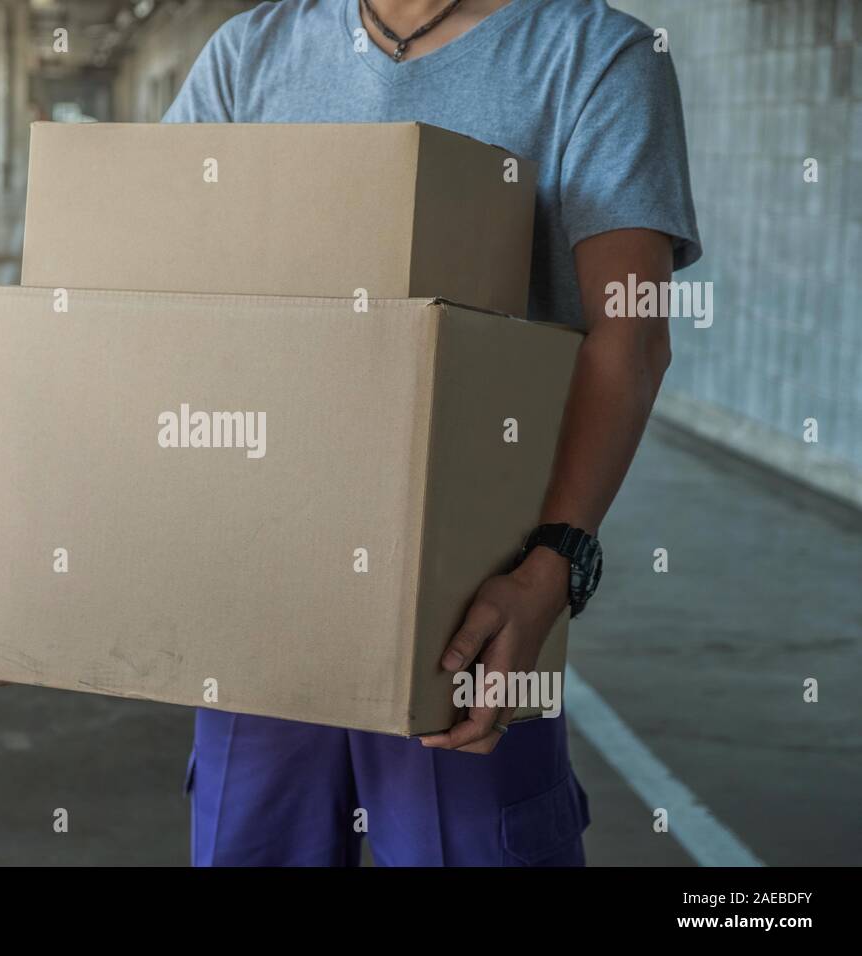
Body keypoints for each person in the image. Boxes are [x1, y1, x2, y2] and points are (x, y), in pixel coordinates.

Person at [162, 0, 701, 866]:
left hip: (472, 602)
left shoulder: (592, 54)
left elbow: (630, 334)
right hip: (260, 582)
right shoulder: (249, 55)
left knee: (471, 847)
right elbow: (155, 291)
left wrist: (553, 565)